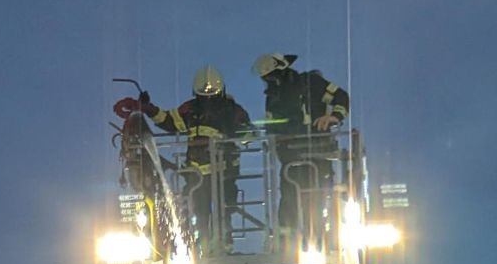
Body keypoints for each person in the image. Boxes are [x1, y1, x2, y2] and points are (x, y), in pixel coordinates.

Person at [143, 65, 251, 252]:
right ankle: (206, 244)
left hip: (219, 170)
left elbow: (247, 135)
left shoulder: (226, 109)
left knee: (222, 207)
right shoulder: (199, 109)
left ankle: (219, 243)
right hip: (200, 171)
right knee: (203, 209)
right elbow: (170, 121)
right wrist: (150, 109)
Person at [252, 53, 349, 244]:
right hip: (290, 157)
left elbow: (341, 97)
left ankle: (317, 240)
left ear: (280, 71)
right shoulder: (273, 96)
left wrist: (334, 117)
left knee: (317, 198)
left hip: (318, 153)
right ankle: (287, 243)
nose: (268, 82)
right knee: (289, 199)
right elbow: (272, 126)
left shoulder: (311, 83)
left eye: (270, 77)